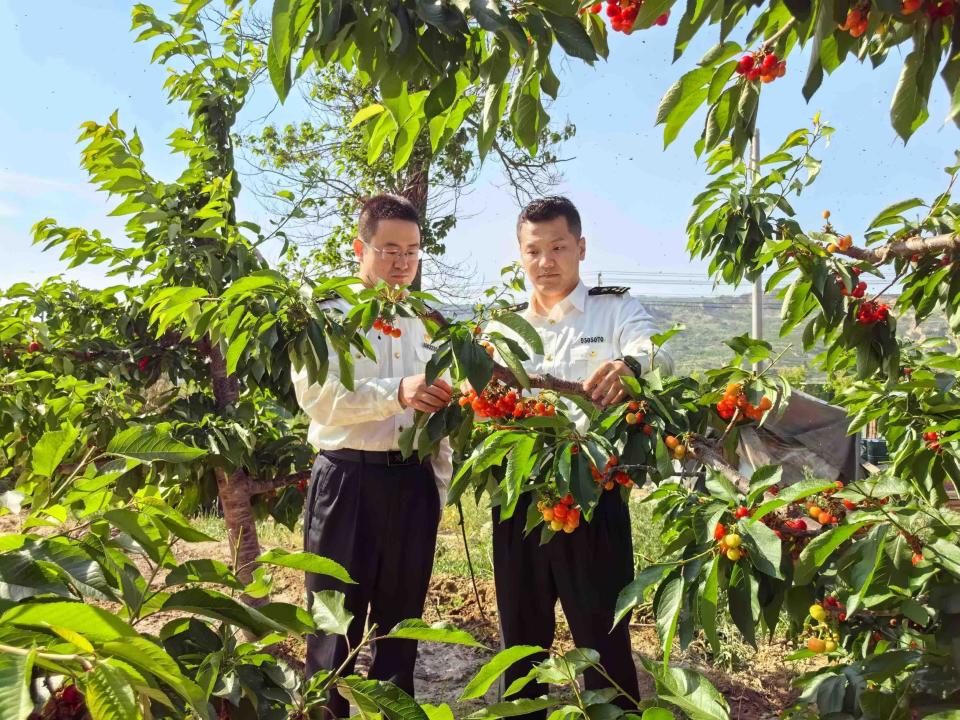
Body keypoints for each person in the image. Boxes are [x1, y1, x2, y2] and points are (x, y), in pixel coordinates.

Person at [486, 196, 673, 718]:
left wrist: (630, 364)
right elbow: (481, 405)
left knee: (604, 635)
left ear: (581, 247)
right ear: (520, 255)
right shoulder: (502, 330)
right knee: (520, 637)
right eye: (534, 250)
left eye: (558, 247)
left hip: (592, 494)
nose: (546, 261)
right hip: (519, 500)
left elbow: (657, 349)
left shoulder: (614, 310)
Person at [292, 194, 453, 718]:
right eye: (389, 250)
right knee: (332, 628)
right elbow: (318, 398)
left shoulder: (425, 320)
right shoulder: (327, 316)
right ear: (361, 248)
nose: (402, 262)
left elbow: (441, 412)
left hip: (411, 485)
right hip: (347, 482)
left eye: (411, 251)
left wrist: (438, 486)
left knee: (401, 627)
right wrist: (397, 392)